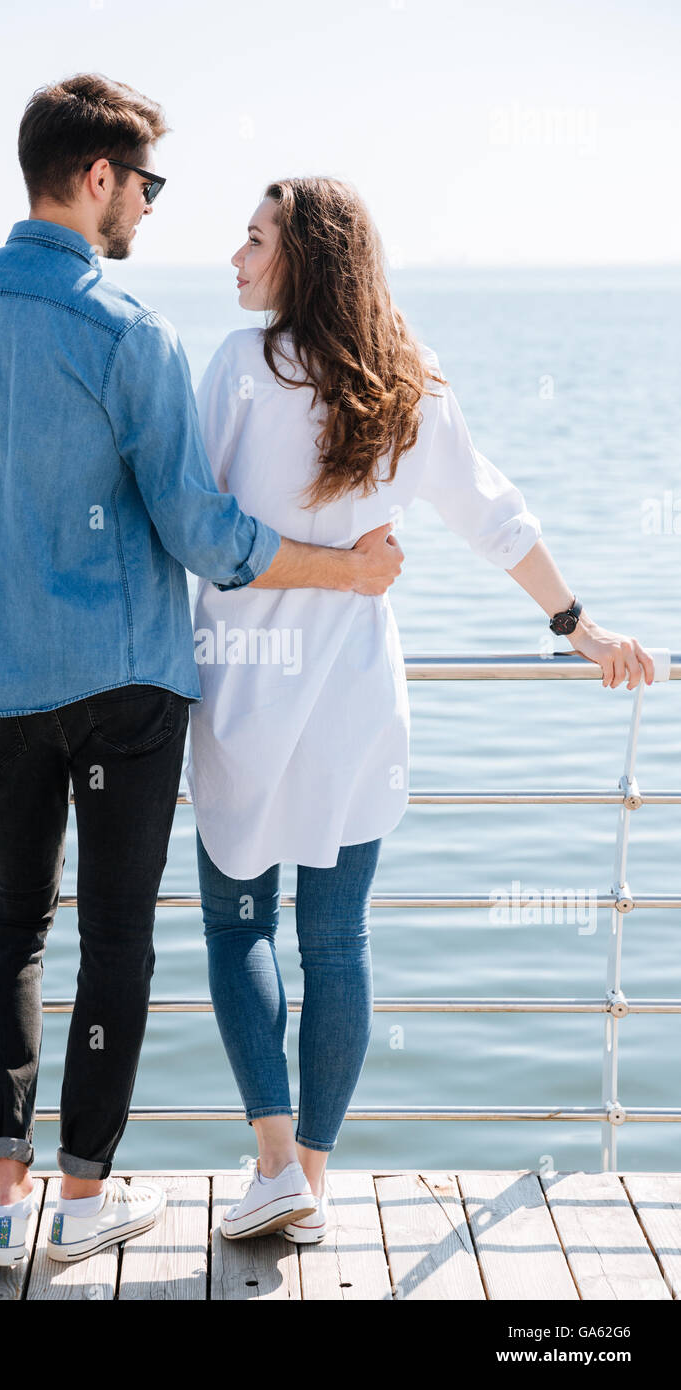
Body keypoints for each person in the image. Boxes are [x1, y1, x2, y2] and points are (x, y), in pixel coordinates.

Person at [0, 78, 404, 1269]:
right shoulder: (129, 332)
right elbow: (203, 535)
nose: (151, 211)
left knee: (9, 925)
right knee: (116, 937)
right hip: (125, 695)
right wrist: (345, 570)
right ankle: (79, 1200)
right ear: (98, 178)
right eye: (147, 186)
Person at [185, 176, 655, 1242]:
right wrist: (575, 623)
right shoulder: (406, 382)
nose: (235, 257)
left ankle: (273, 1169)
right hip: (354, 702)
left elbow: (197, 529)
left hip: (243, 693)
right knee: (337, 939)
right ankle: (311, 1173)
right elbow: (492, 514)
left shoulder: (238, 370)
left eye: (252, 239)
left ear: (298, 257)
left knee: (236, 922)